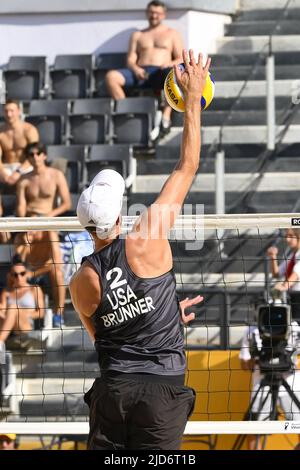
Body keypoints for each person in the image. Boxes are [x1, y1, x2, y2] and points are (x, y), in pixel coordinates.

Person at [70, 49, 210, 450]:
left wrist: (161, 312)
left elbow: (106, 337)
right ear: (120, 217)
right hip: (161, 392)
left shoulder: (80, 281)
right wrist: (193, 98)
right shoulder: (146, 237)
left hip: (113, 393)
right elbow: (187, 166)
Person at [105, 1, 184, 133]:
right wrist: (136, 69)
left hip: (161, 72)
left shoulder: (172, 34)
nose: (154, 16)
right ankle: (129, 114)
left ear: (163, 15)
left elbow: (181, 58)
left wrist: (168, 64)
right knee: (111, 77)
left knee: (172, 73)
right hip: (140, 72)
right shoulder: (138, 35)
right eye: (151, 12)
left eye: (157, 13)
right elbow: (130, 59)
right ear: (147, 13)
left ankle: (165, 116)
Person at [239, 321, 300, 450]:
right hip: (262, 384)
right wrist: (256, 358)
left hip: (293, 385)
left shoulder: (294, 327)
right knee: (253, 432)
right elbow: (244, 365)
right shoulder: (253, 330)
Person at [14, 231, 66, 328]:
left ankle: (58, 314)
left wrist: (34, 273)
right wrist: (26, 245)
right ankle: (26, 319)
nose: (30, 231)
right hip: (27, 274)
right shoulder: (20, 238)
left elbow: (57, 263)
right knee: (17, 277)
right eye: (28, 228)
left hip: (44, 272)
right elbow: (18, 264)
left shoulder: (50, 234)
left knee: (58, 273)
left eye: (33, 228)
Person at [16, 142, 71, 218]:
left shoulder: (57, 175)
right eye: (31, 155)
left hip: (49, 218)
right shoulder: (23, 179)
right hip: (30, 218)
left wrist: (49, 216)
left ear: (44, 156)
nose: (35, 157)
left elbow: (67, 204)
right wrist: (23, 224)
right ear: (28, 159)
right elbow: (21, 205)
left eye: (38, 153)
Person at [0, 259, 45, 351]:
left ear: (27, 273)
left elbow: (41, 313)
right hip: (9, 327)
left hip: (26, 325)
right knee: (10, 309)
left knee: (13, 308)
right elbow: (2, 311)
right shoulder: (6, 292)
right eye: (15, 275)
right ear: (11, 276)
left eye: (22, 273)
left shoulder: (34, 289)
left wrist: (22, 313)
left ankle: (0, 341)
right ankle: (1, 345)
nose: (19, 277)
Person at [267, 228, 300, 319]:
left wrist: (284, 286)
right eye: (286, 236)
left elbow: (296, 274)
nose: (287, 239)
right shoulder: (292, 256)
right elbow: (276, 274)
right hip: (292, 297)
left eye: (290, 236)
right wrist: (273, 257)